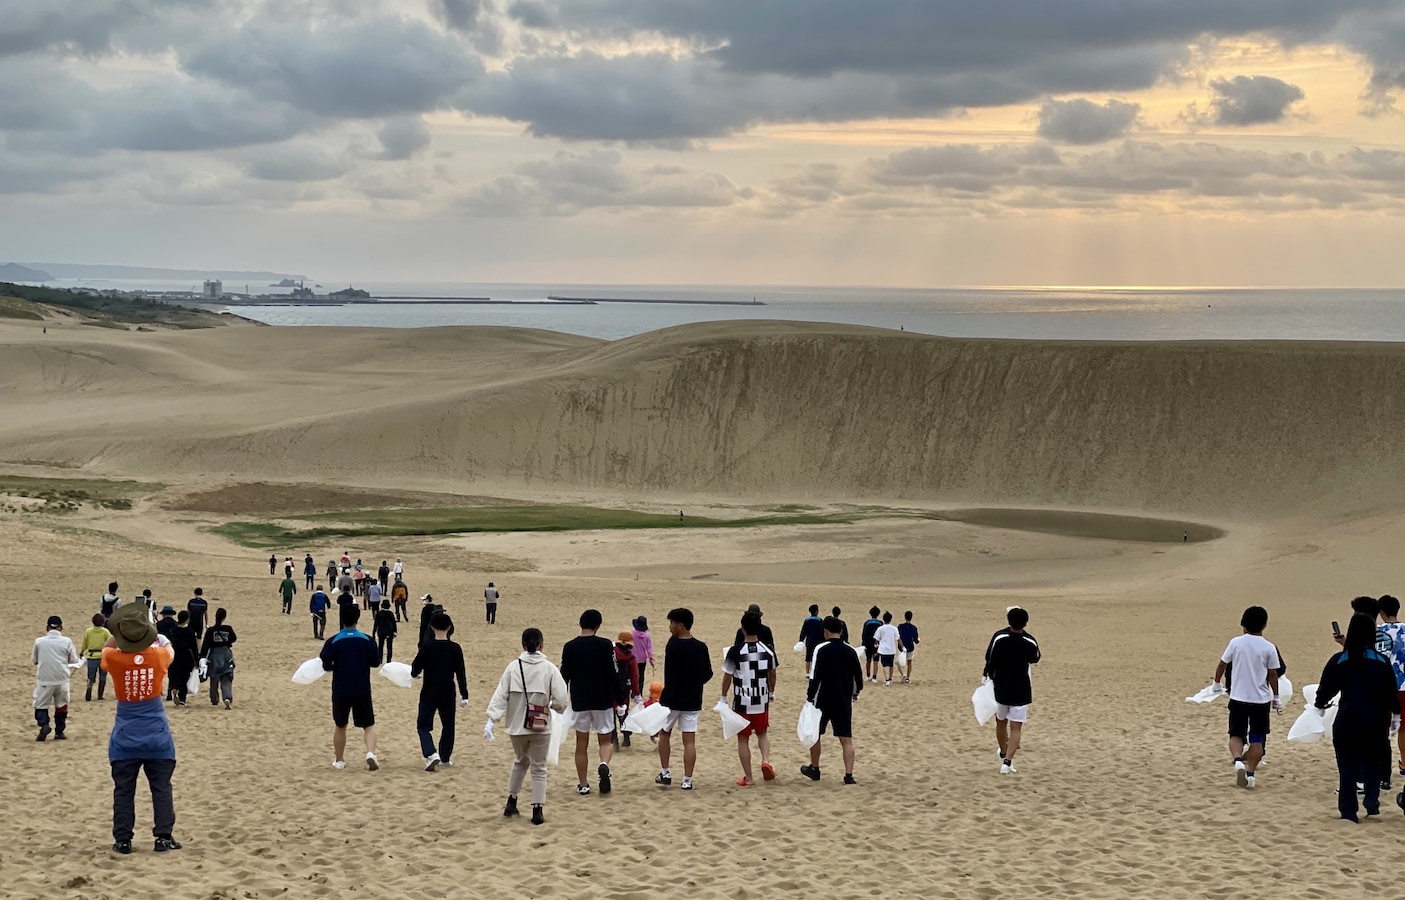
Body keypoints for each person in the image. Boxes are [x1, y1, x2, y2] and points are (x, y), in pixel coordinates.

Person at [101, 603, 181, 854]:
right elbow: (169, 649)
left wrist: (120, 632)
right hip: (156, 733)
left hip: (125, 735)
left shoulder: (114, 658)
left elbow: (107, 648)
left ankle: (123, 839)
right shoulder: (157, 656)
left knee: (124, 790)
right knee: (161, 788)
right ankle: (163, 836)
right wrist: (154, 634)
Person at [1315, 613, 1401, 822]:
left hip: (1348, 719)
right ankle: (1371, 803)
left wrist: (1319, 705)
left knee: (1347, 767)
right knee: (1373, 763)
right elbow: (1391, 691)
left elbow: (1326, 688)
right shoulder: (1381, 661)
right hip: (1376, 721)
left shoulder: (1341, 659)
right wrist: (1396, 714)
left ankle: (1348, 810)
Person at [485, 627, 569, 826]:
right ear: (541, 644)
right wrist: (553, 707)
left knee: (520, 761)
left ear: (523, 644)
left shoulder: (513, 667)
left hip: (516, 725)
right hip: (540, 725)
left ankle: (511, 801)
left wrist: (492, 719)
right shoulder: (549, 668)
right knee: (539, 767)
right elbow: (562, 699)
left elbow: (500, 695)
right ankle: (537, 809)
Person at [1213, 606, 1280, 789]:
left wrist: (1217, 683)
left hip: (1238, 697)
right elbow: (1272, 674)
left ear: (1243, 623)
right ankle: (1250, 774)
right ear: (1264, 625)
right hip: (1260, 700)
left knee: (1236, 734)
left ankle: (1237, 761)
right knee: (1257, 737)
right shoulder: (1269, 647)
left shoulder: (1236, 642)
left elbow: (1222, 664)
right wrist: (1276, 696)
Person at [560, 609, 625, 795]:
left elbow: (564, 675)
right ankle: (604, 764)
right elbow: (613, 673)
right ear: (598, 626)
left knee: (581, 744)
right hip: (602, 700)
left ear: (581, 623)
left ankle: (583, 784)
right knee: (605, 741)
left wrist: (559, 697)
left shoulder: (569, 646)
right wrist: (620, 699)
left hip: (580, 700)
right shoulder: (605, 645)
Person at [319, 605, 382, 771]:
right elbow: (375, 662)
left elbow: (325, 663)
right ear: (357, 619)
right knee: (368, 725)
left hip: (340, 688)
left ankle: (339, 760)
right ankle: (370, 753)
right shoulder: (367, 640)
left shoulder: (333, 641)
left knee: (341, 725)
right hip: (361, 687)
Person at [802, 616, 863, 784]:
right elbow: (858, 677)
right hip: (843, 699)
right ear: (841, 631)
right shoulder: (850, 651)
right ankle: (849, 775)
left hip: (822, 700)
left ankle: (815, 768)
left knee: (816, 734)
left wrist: (809, 698)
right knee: (846, 738)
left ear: (826, 632)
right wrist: (855, 694)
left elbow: (816, 677)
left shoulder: (821, 649)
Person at [657, 608, 713, 790]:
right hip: (692, 699)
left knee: (664, 733)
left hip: (672, 699)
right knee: (689, 740)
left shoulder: (673, 646)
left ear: (681, 625)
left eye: (672, 623)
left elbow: (671, 673)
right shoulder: (701, 647)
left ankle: (665, 772)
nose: (670, 627)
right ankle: (687, 780)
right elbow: (707, 674)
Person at [984, 606, 1042, 775]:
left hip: (1002, 686)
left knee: (1001, 722)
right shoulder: (1029, 641)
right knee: (1016, 728)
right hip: (1021, 688)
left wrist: (989, 674)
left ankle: (1003, 753)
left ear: (1008, 621)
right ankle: (1007, 762)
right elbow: (1035, 657)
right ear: (1025, 623)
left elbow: (990, 658)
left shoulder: (1000, 637)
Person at [721, 612, 778, 786]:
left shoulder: (735, 651)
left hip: (742, 701)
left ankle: (749, 778)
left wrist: (723, 697)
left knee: (743, 738)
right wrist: (771, 692)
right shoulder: (768, 650)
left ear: (742, 628)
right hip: (761, 699)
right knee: (762, 733)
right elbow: (772, 673)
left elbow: (727, 676)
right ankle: (765, 760)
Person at [410, 612, 469, 771]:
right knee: (448, 725)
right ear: (449, 627)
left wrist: (414, 674)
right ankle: (445, 758)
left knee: (423, 725)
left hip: (429, 690)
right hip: (448, 691)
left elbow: (416, 668)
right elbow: (461, 673)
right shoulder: (455, 648)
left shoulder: (427, 646)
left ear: (432, 627)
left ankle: (430, 753)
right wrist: (465, 694)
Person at [34, 615, 80, 741]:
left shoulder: (39, 641)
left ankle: (44, 724)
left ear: (47, 628)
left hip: (45, 678)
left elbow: (35, 660)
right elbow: (73, 660)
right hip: (62, 678)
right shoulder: (67, 641)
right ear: (61, 627)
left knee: (41, 704)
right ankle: (59, 731)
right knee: (61, 705)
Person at [1377, 595, 1405, 786]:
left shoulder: (1376, 631)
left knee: (1380, 730)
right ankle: (1404, 763)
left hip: (1381, 686)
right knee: (1404, 728)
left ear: (1381, 612)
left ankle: (1381, 768)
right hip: (1404, 685)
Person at [200, 608, 237, 710]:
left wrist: (202, 657)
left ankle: (214, 699)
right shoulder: (228, 629)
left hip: (214, 654)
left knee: (214, 677)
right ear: (224, 617)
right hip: (226, 654)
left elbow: (205, 645)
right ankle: (227, 697)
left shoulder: (210, 630)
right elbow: (234, 638)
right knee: (227, 677)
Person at [167, 611, 200, 707]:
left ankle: (174, 687)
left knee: (175, 674)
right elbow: (194, 647)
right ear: (187, 619)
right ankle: (182, 699)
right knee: (185, 678)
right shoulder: (190, 631)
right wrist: (196, 660)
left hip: (175, 656)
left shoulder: (173, 630)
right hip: (186, 657)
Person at [613, 631, 639, 746]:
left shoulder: (611, 655)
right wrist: (636, 691)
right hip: (625, 689)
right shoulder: (631, 658)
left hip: (611, 689)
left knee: (611, 714)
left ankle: (613, 739)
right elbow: (635, 676)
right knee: (624, 713)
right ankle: (626, 736)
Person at [83, 613, 113, 701]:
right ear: (103, 622)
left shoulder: (88, 631)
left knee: (91, 676)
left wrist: (82, 651)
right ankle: (100, 695)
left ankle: (89, 691)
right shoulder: (105, 632)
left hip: (91, 656)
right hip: (103, 656)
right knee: (102, 676)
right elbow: (110, 642)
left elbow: (85, 643)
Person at [874, 612, 901, 686]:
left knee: (885, 665)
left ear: (883, 619)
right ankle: (890, 678)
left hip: (883, 650)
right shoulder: (894, 628)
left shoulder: (880, 628)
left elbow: (876, 639)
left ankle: (887, 679)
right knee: (891, 665)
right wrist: (902, 647)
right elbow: (898, 639)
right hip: (891, 649)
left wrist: (876, 646)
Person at [861, 606, 884, 684]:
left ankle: (868, 675)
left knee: (868, 660)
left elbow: (864, 634)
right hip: (876, 643)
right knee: (876, 660)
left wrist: (863, 643)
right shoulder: (880, 623)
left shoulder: (867, 623)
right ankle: (874, 676)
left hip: (868, 643)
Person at [631, 616, 654, 692]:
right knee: (641, 677)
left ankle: (633, 692)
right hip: (642, 659)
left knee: (632, 676)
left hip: (633, 658)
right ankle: (639, 691)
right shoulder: (647, 635)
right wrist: (651, 660)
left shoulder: (632, 633)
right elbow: (649, 649)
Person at [898, 611, 920, 684]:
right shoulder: (913, 628)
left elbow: (898, 636)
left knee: (899, 662)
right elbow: (916, 640)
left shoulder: (900, 626)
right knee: (909, 662)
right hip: (910, 647)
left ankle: (902, 674)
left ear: (905, 617)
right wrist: (918, 640)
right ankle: (907, 677)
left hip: (901, 647)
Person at [373, 599, 398, 663]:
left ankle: (380, 659)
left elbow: (376, 624)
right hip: (389, 631)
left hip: (381, 631)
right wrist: (395, 631)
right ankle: (388, 660)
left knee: (380, 646)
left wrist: (374, 632)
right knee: (389, 646)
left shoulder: (379, 613)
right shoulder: (390, 613)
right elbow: (394, 623)